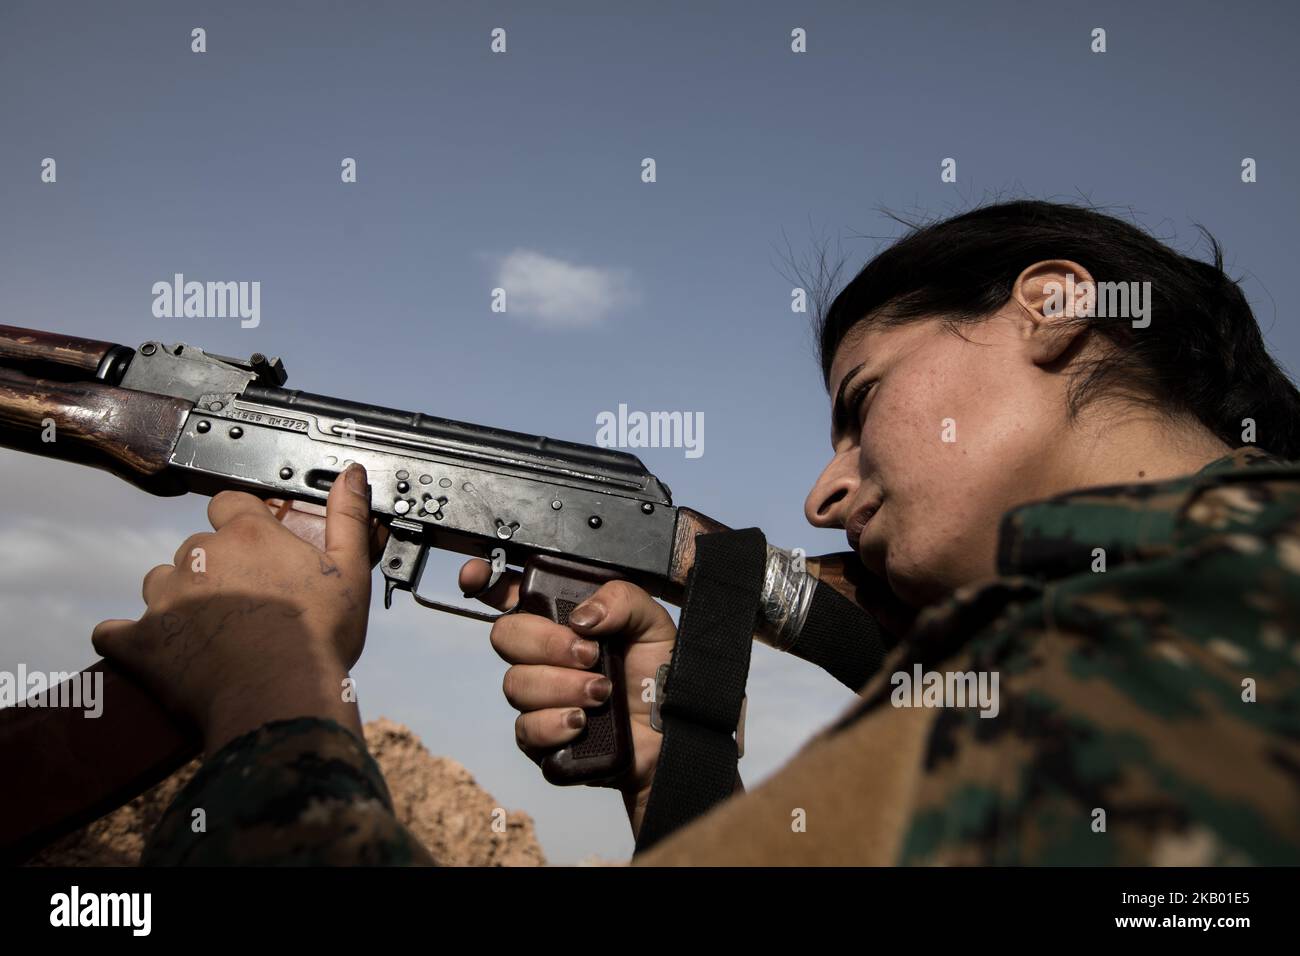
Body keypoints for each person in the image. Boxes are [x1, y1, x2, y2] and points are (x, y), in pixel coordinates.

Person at [93, 201, 1300, 865]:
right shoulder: (1183, 619)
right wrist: (672, 743)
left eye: (859, 402)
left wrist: (269, 692)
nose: (824, 493)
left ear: (1053, 305)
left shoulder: (1153, 650)